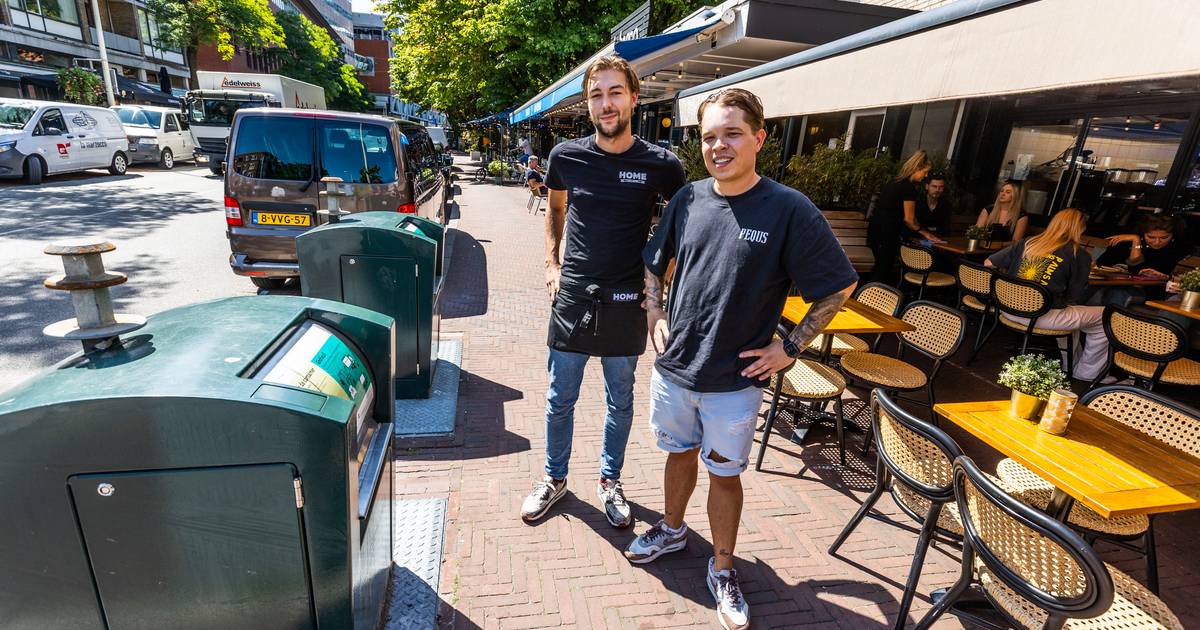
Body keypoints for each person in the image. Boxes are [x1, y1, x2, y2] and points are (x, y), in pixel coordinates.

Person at [628, 88, 857, 630]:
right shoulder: (688, 199)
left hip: (736, 379)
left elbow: (841, 285)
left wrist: (790, 347)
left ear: (759, 138)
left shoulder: (789, 208)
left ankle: (724, 567)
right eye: (708, 136)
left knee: (725, 476)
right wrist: (654, 314)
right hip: (676, 368)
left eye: (731, 134)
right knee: (678, 454)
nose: (718, 146)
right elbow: (653, 264)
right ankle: (673, 527)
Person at [521, 55, 686, 528]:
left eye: (615, 92)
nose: (606, 103)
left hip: (626, 300)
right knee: (559, 398)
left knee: (620, 400)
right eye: (597, 94)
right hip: (573, 294)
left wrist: (658, 290)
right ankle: (555, 479)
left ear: (634, 98)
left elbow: (681, 229)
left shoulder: (662, 164)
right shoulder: (565, 156)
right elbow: (555, 211)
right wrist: (552, 264)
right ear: (588, 103)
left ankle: (610, 482)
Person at [985, 208, 1109, 382]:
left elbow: (989, 262)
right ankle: (1088, 372)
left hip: (1008, 309)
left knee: (1071, 316)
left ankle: (1071, 366)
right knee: (1107, 316)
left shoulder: (1027, 243)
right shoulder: (1078, 254)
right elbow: (1073, 296)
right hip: (1039, 316)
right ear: (1079, 228)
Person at [868, 150, 939, 282]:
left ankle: (865, 296)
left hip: (876, 230)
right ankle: (867, 298)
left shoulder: (894, 182)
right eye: (925, 172)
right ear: (917, 168)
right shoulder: (908, 188)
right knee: (882, 271)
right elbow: (909, 219)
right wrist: (926, 234)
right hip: (887, 234)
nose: (926, 175)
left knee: (880, 269)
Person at [1092, 214, 1188, 305]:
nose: (1157, 242)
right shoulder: (1125, 244)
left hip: (1148, 291)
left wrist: (1136, 241)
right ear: (1143, 233)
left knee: (1118, 292)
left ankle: (1107, 320)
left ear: (1172, 235)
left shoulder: (1173, 250)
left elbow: (1139, 269)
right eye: (1151, 237)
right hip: (1113, 283)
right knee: (1089, 286)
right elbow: (1101, 263)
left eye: (1164, 237)